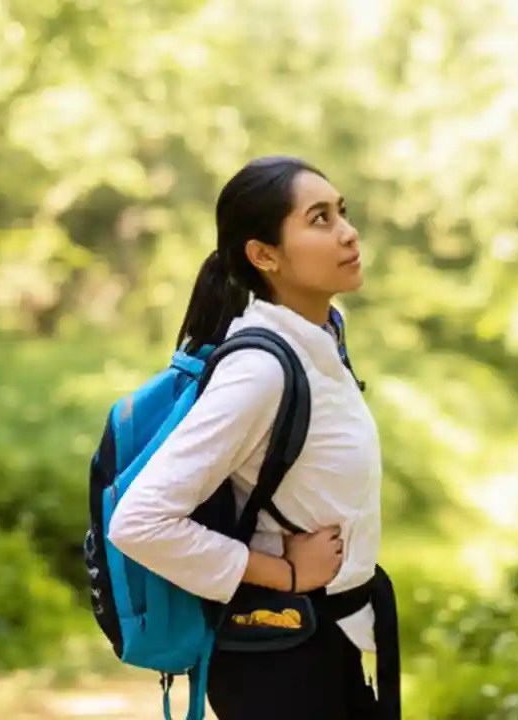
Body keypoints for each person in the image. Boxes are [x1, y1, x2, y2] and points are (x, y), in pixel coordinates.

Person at [108, 155, 388, 719]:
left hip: (327, 644)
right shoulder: (261, 369)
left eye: (342, 212)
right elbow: (140, 522)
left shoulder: (321, 335)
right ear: (264, 256)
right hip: (282, 659)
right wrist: (282, 572)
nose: (348, 232)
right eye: (319, 219)